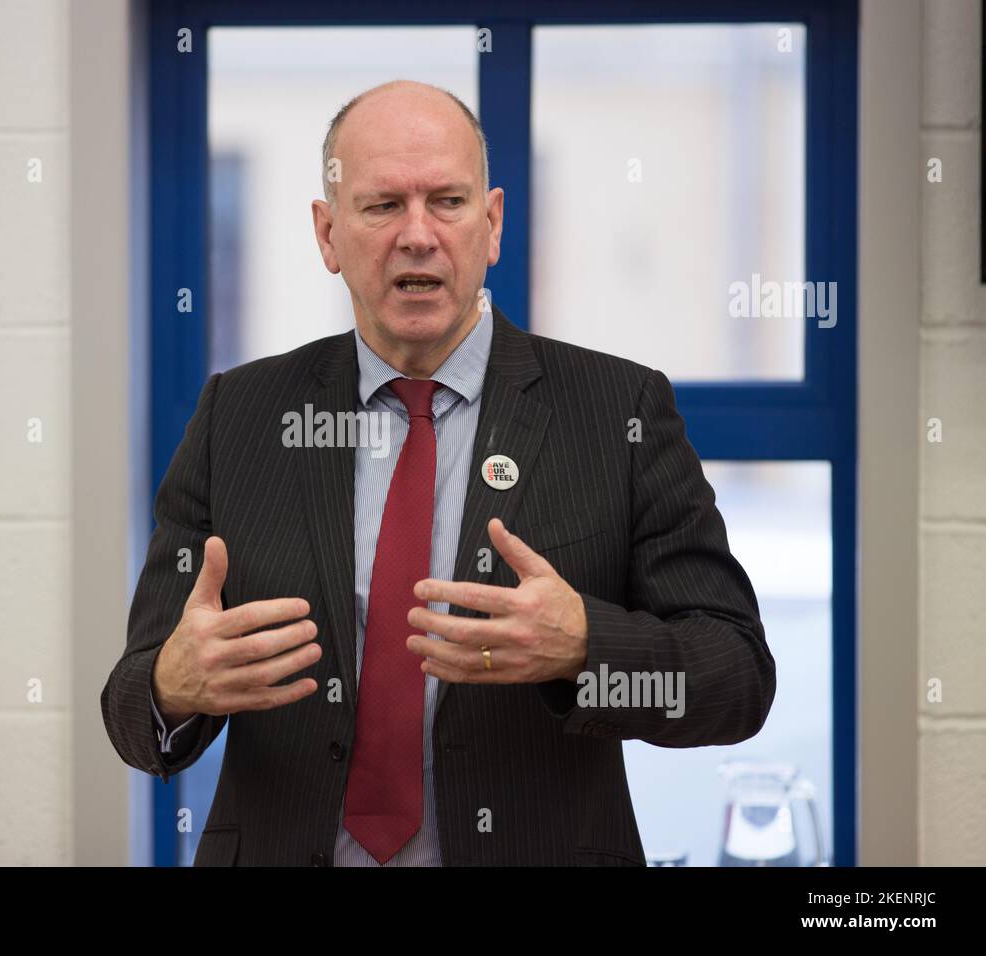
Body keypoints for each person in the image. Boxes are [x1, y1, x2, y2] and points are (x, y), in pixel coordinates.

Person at [101, 79, 775, 866]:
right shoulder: (238, 415)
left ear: (490, 225)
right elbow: (130, 713)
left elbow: (738, 678)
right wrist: (173, 688)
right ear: (327, 234)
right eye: (382, 206)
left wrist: (584, 645)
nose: (417, 235)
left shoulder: (618, 408)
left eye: (446, 203)